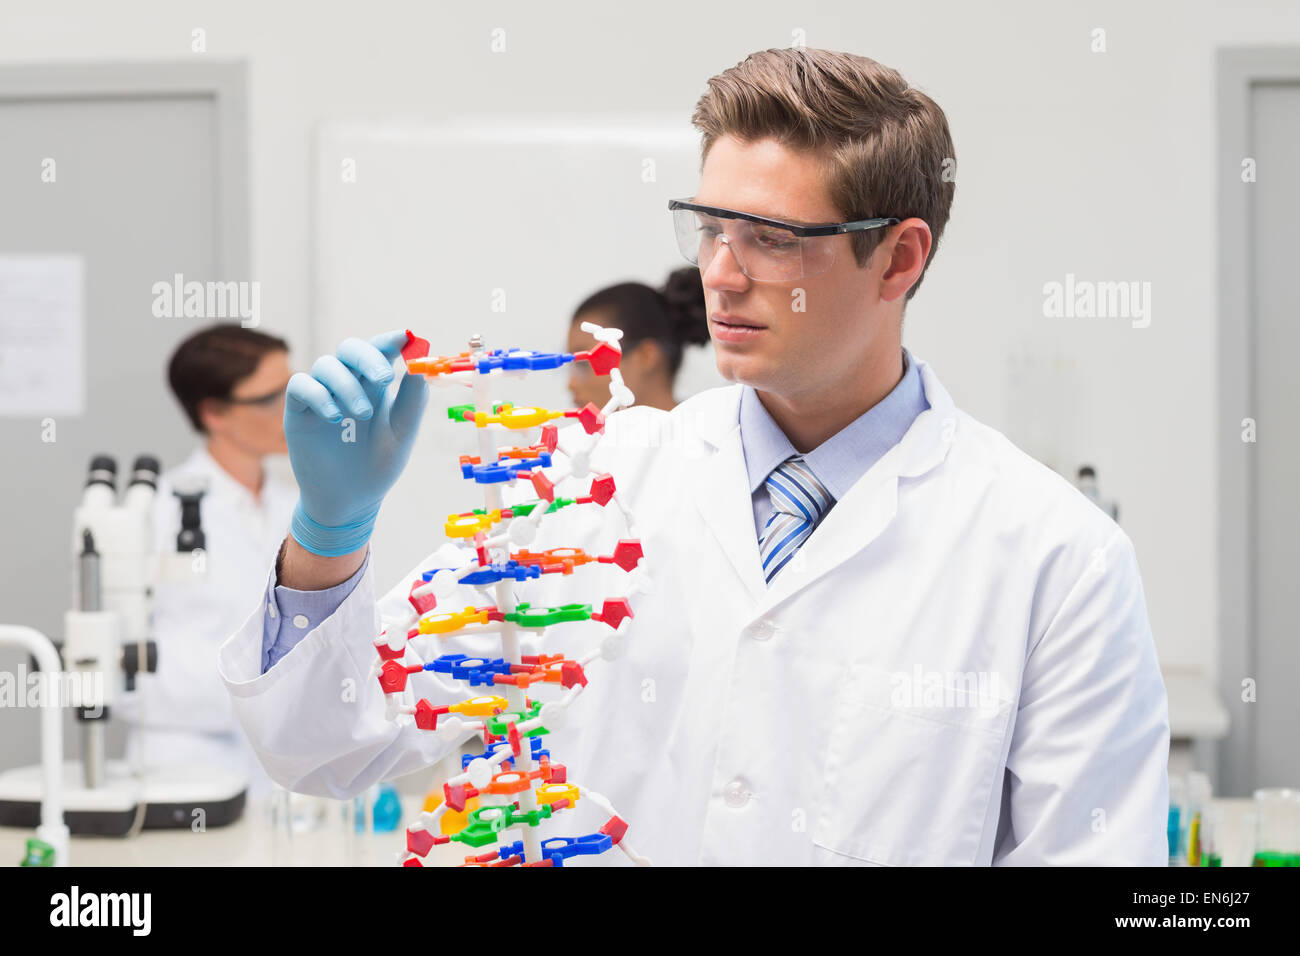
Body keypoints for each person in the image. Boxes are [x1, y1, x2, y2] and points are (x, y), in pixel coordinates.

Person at [218, 48, 1169, 865]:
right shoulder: (586, 484)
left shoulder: (1054, 557)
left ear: (900, 259)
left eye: (772, 238)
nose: (720, 271)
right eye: (711, 228)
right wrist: (327, 537)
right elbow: (326, 744)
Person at [123, 324, 297, 799]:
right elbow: (113, 665)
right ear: (215, 413)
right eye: (272, 397)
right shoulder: (152, 514)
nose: (294, 408)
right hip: (183, 768)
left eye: (293, 387)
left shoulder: (296, 510)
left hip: (281, 772)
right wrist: (255, 696)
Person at [565, 267, 709, 412]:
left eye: (583, 364)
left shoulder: (709, 432)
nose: (571, 385)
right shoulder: (595, 434)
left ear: (646, 356)